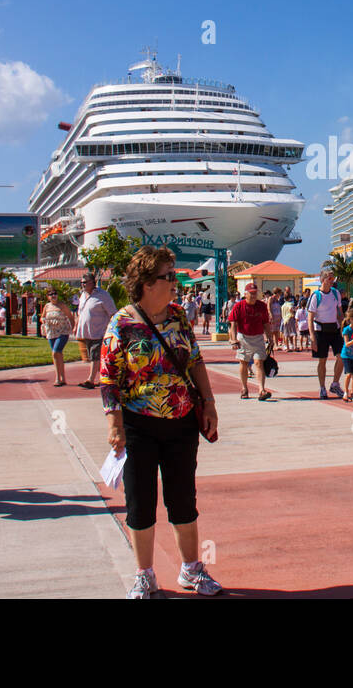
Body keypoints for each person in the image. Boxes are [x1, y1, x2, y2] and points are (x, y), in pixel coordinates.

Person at [101, 246, 222, 598]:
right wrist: (115, 425)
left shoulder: (178, 317)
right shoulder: (121, 323)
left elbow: (196, 361)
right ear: (146, 283)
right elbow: (109, 380)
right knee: (140, 502)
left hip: (182, 422)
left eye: (174, 275)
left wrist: (210, 403)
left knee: (183, 498)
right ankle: (145, 574)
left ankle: (191, 569)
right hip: (139, 426)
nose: (175, 282)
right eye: (168, 277)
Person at [307, 269, 347, 399]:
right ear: (323, 280)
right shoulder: (316, 296)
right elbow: (310, 317)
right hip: (320, 330)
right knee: (322, 360)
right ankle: (322, 387)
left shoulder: (335, 294)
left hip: (335, 329)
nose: (332, 281)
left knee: (341, 356)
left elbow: (339, 312)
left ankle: (335, 383)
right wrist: (312, 336)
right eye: (330, 279)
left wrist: (344, 327)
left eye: (333, 279)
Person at [229, 282, 272, 401]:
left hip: (258, 337)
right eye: (251, 294)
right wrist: (233, 340)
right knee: (243, 362)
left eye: (255, 293)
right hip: (243, 337)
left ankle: (261, 390)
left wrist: (270, 337)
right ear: (245, 294)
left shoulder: (262, 306)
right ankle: (244, 388)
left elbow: (266, 323)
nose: (253, 296)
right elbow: (233, 324)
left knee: (259, 362)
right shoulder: (239, 306)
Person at [75, 273, 116, 388]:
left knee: (95, 356)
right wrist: (76, 325)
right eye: (82, 282)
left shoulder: (103, 295)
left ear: (93, 282)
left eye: (85, 282)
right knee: (95, 357)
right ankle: (107, 377)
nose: (83, 284)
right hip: (86, 333)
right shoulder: (82, 295)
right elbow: (80, 312)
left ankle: (90, 380)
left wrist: (112, 330)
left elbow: (113, 312)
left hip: (99, 332)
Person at [41, 288, 75, 387]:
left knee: (56, 351)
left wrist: (73, 328)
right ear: (48, 297)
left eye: (55, 293)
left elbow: (70, 317)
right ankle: (62, 378)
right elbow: (42, 317)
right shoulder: (47, 306)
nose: (53, 296)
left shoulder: (62, 306)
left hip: (62, 332)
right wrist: (43, 321)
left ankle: (57, 378)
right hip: (51, 332)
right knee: (57, 355)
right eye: (51, 294)